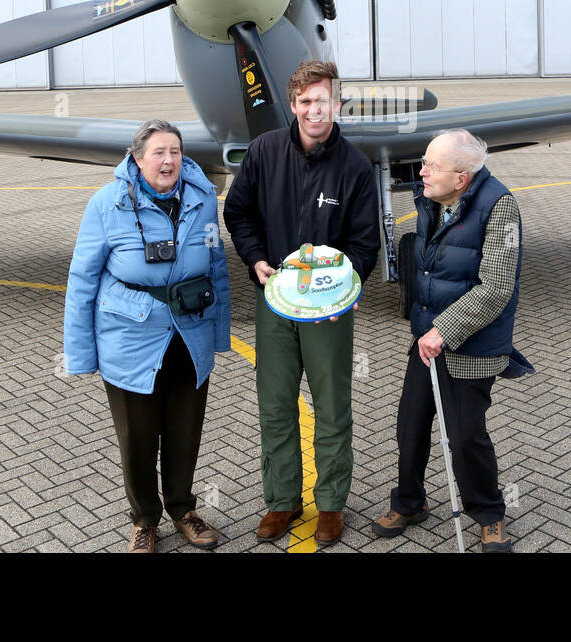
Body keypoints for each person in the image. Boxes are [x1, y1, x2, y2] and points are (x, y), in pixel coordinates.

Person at [223, 59, 379, 547]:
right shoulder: (264, 152)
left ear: (337, 103)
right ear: (293, 105)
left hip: (327, 310)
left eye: (324, 100)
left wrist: (348, 286)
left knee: (332, 407)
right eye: (306, 101)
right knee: (275, 406)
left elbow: (364, 242)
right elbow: (238, 212)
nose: (316, 110)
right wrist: (254, 259)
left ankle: (331, 504)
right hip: (274, 302)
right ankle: (282, 500)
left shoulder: (354, 165)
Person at [64, 119, 231, 553]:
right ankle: (143, 519)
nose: (169, 160)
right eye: (158, 152)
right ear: (137, 158)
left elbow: (216, 268)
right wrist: (80, 352)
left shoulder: (202, 200)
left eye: (175, 151)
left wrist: (219, 333)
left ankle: (183, 509)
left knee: (184, 432)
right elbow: (82, 279)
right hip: (129, 337)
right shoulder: (107, 203)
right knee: (137, 439)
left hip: (189, 335)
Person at [372, 128, 524, 553]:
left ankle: (489, 515)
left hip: (470, 347)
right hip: (427, 340)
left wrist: (446, 329)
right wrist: (425, 326)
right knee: (411, 425)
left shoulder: (500, 207)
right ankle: (410, 502)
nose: (420, 172)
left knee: (465, 436)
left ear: (461, 177)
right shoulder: (432, 201)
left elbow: (495, 287)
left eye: (430, 166)